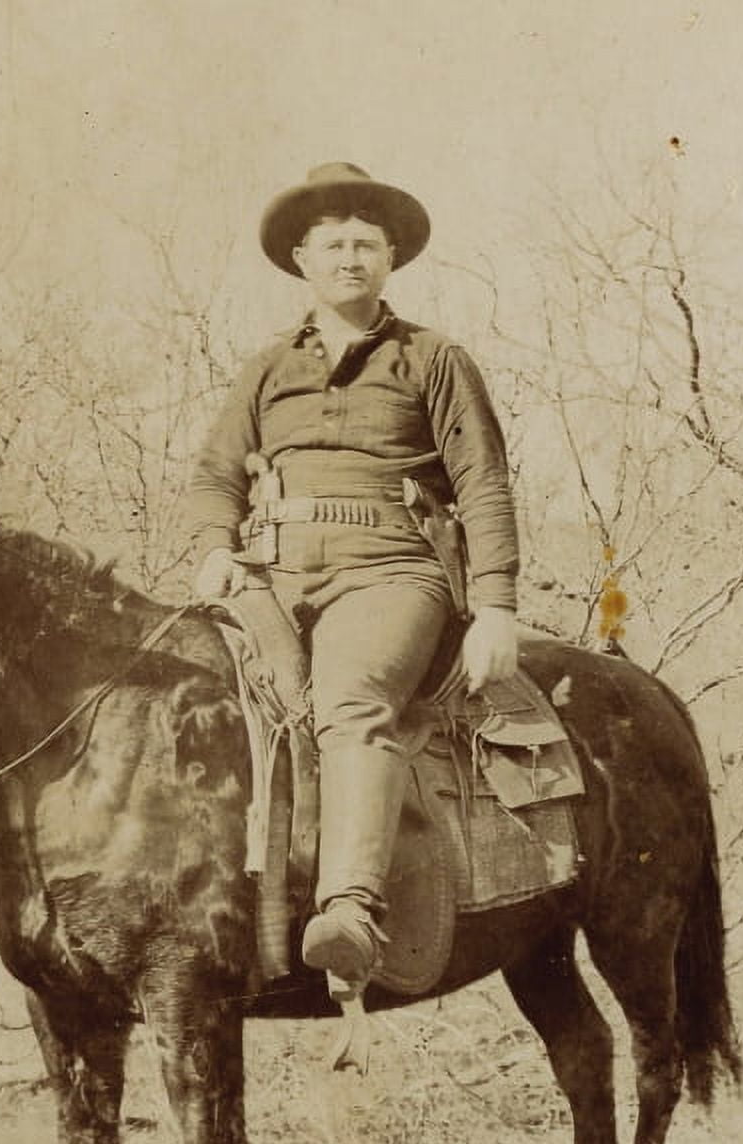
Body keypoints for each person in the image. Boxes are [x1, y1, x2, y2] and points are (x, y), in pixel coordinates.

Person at [184, 162, 521, 986]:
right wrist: (215, 546)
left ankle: (350, 912)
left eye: (367, 244)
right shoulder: (265, 369)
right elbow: (216, 474)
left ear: (391, 258)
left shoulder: (434, 359)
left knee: (351, 701)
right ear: (301, 258)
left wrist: (497, 607)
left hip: (392, 571)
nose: (350, 258)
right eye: (332, 244)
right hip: (270, 574)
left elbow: (482, 479)